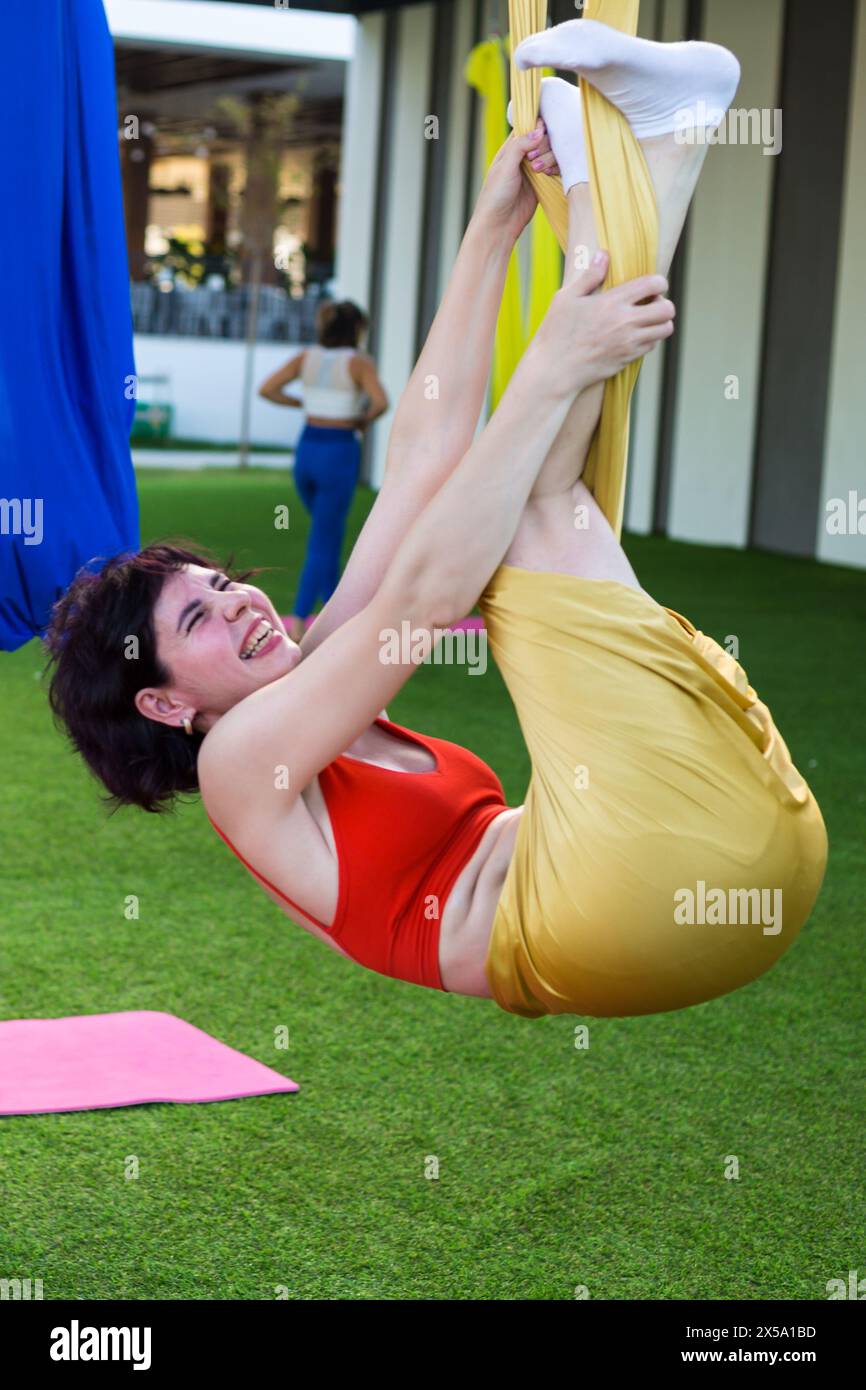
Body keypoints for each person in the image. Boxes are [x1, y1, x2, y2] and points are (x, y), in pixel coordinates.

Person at [45, 21, 826, 1020]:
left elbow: (417, 456)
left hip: (735, 844)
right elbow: (425, 592)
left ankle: (664, 148)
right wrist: (546, 365)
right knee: (519, 523)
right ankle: (643, 160)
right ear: (161, 705)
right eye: (196, 620)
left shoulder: (314, 678)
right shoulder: (243, 768)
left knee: (527, 501)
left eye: (223, 583)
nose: (239, 601)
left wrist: (493, 224)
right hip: (624, 904)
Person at [258, 300, 389, 642]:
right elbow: (381, 402)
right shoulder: (359, 363)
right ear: (357, 330)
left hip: (307, 449)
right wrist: (361, 420)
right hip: (339, 449)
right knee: (323, 538)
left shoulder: (306, 357)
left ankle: (332, 609)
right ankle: (300, 620)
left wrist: (305, 403)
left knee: (325, 535)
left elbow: (267, 389)